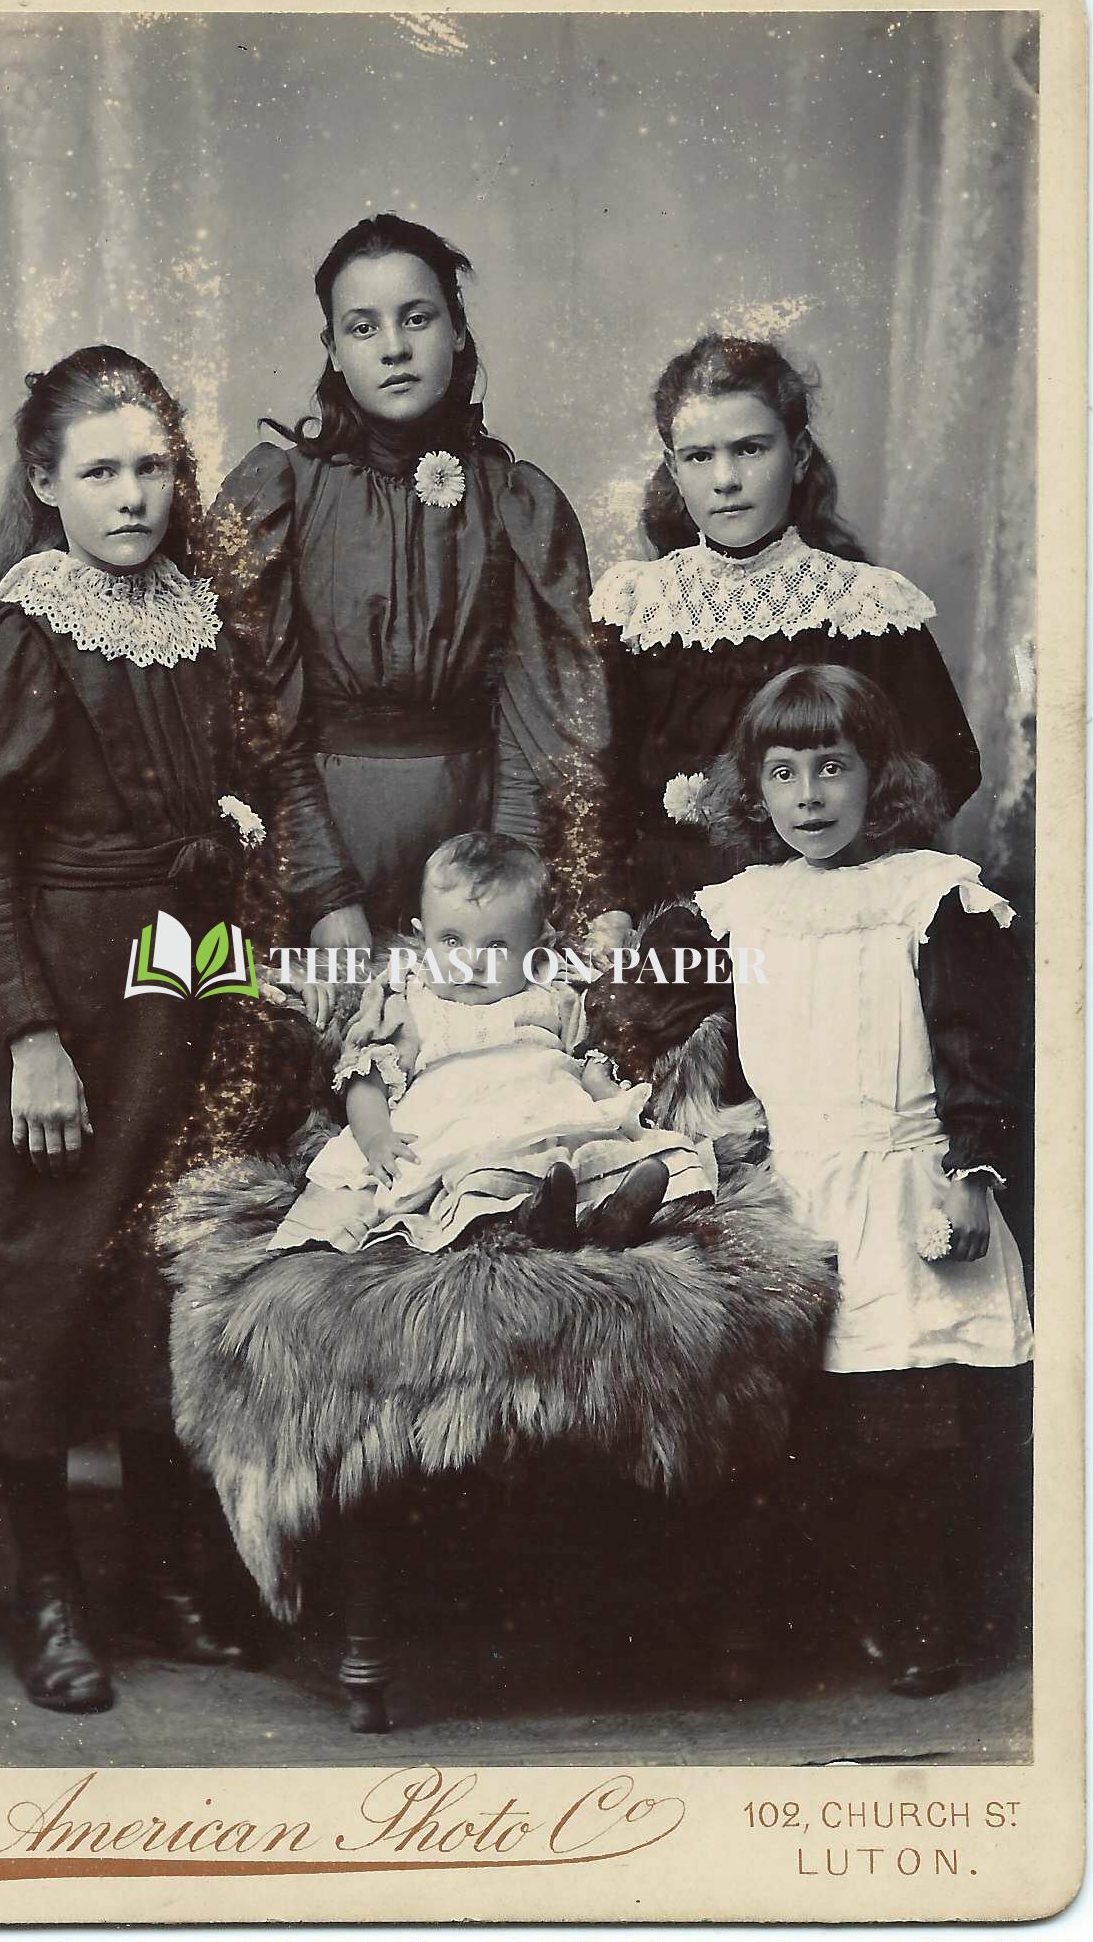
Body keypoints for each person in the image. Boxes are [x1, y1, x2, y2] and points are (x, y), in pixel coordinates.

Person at [0, 346, 310, 1714]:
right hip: (56, 987)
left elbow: (219, 827)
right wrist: (32, 1038)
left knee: (164, 1284)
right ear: (44, 485)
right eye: (99, 471)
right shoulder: (24, 625)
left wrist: (240, 994)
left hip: (177, 985)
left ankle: (160, 1575)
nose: (131, 495)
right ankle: (47, 1589)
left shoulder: (193, 616)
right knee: (44, 1290)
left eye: (153, 467)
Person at [694, 664, 1033, 1696]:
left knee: (912, 1424)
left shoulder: (928, 895)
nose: (808, 796)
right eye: (784, 771)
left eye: (833, 768)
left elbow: (977, 1052)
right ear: (753, 788)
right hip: (790, 1189)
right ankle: (811, 1619)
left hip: (907, 1184)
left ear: (876, 776)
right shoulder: (739, 909)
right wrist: (711, 1117)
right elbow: (693, 1042)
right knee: (803, 1434)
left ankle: (922, 1610)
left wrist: (969, 1178)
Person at [204, 213, 619, 947]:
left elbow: (534, 726)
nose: (394, 348)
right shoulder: (279, 495)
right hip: (315, 848)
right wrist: (327, 895)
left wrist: (497, 892)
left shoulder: (515, 501)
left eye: (417, 318)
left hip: (475, 849)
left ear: (457, 331)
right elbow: (258, 720)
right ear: (332, 350)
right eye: (362, 329)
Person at [590, 335, 982, 913]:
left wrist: (839, 863)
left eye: (750, 449)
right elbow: (595, 779)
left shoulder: (865, 608)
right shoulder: (634, 608)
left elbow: (944, 769)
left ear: (797, 456)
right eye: (700, 456)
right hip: (667, 904)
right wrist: (612, 907)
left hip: (823, 903)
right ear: (673, 468)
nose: (725, 479)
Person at [271, 832, 714, 1256]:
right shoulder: (409, 999)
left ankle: (609, 1215)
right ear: (421, 936)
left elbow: (585, 1058)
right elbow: (365, 1076)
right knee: (483, 1174)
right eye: (451, 941)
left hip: (546, 1113)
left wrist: (609, 1100)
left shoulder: (552, 994)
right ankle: (539, 1218)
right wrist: (376, 1138)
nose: (471, 962)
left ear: (538, 946)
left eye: (498, 946)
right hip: (455, 1125)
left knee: (596, 1156)